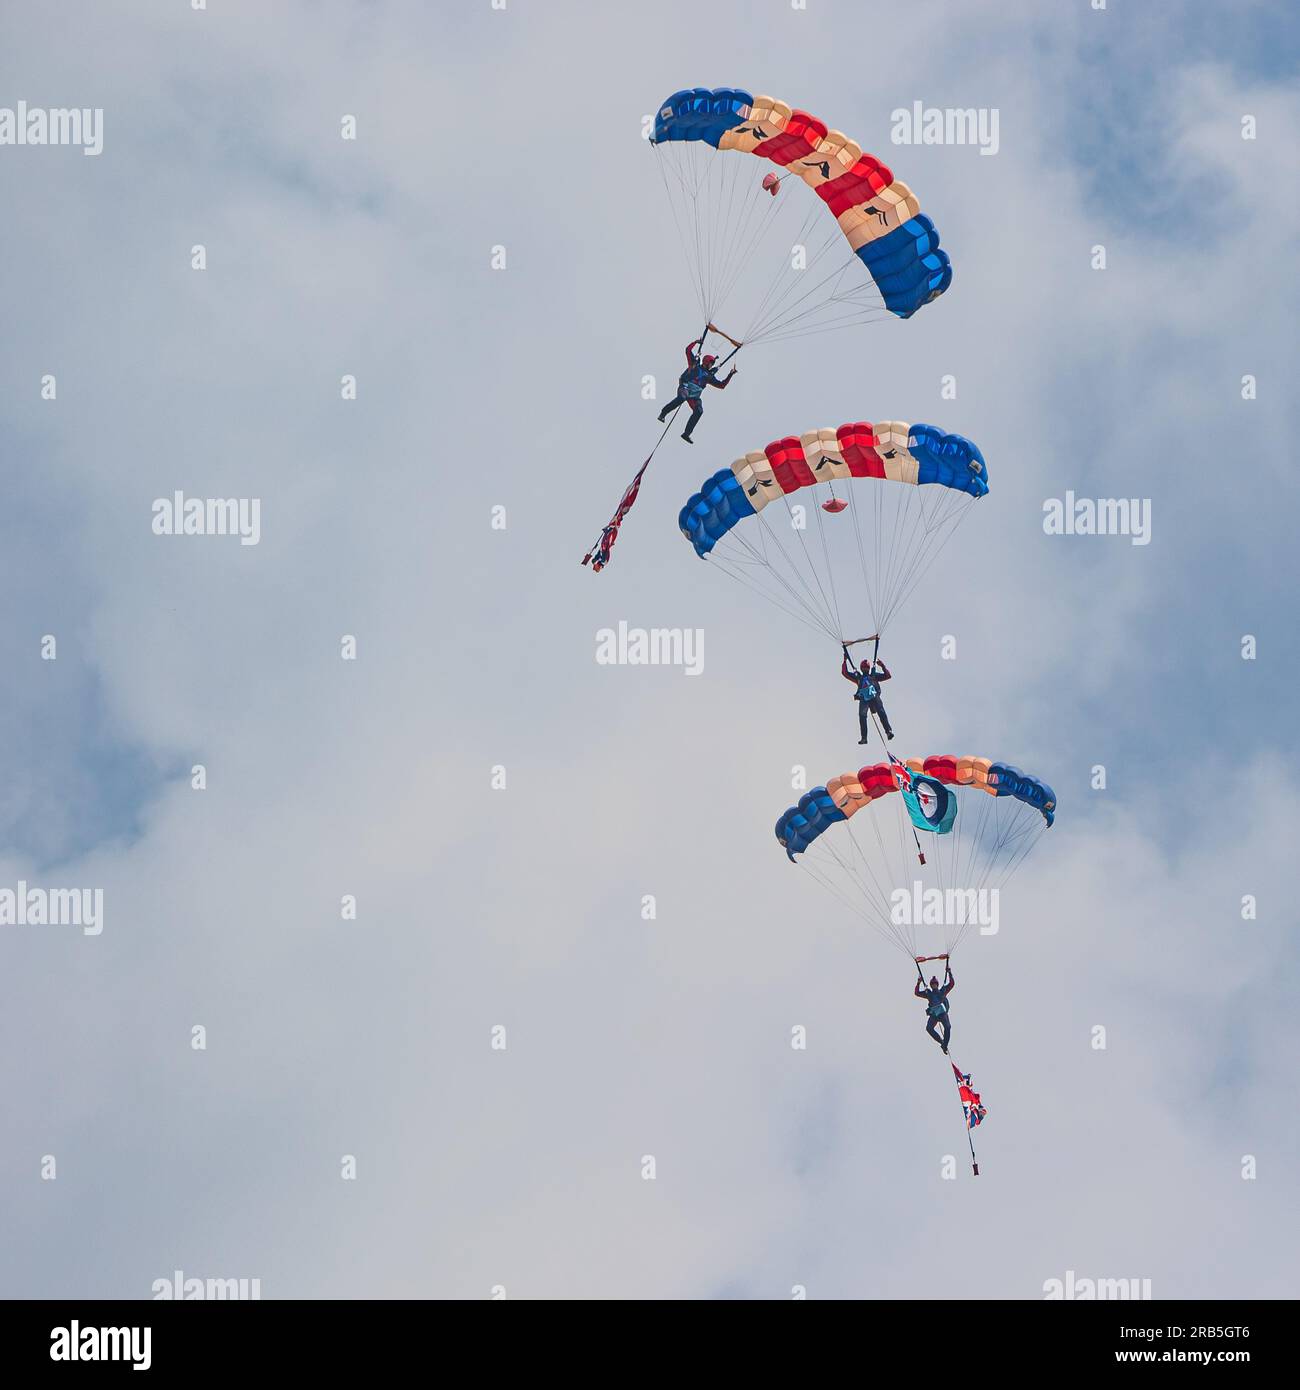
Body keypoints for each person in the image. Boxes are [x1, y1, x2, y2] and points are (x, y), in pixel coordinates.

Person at [658, 330, 738, 442]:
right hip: (685, 387)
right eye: (711, 363)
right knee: (682, 397)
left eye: (713, 364)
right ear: (706, 362)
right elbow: (688, 350)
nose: (712, 365)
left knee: (699, 411)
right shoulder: (695, 365)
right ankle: (663, 413)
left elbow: (722, 385)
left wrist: (730, 374)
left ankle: (686, 434)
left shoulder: (709, 376)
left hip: (694, 396)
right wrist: (695, 342)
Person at [841, 642, 894, 744]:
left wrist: (844, 661)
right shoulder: (863, 677)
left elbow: (845, 673)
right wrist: (844, 661)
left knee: (870, 714)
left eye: (865, 668)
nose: (865, 669)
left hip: (869, 698)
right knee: (873, 713)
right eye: (864, 668)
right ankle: (880, 733)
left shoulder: (867, 677)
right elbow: (845, 673)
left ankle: (884, 732)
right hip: (868, 698)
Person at [915, 964, 954, 1053]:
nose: (934, 985)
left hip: (942, 1013)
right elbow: (917, 993)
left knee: (947, 1027)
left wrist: (949, 972)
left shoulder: (943, 991)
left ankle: (945, 1045)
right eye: (932, 984)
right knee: (929, 1028)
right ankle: (941, 1042)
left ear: (937, 984)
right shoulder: (929, 993)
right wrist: (918, 982)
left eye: (935, 984)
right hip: (934, 1015)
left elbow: (951, 984)